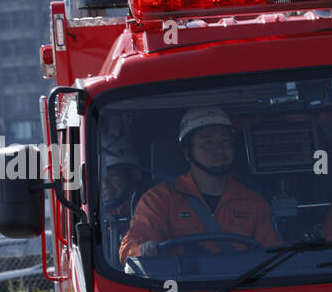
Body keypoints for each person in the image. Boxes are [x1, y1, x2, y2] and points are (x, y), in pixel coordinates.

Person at [120, 107, 281, 262]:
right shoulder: (159, 199)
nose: (219, 149)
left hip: (242, 287)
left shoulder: (253, 202)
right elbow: (129, 249)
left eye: (225, 141)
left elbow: (274, 257)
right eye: (208, 143)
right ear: (188, 153)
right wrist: (143, 250)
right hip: (180, 287)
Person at [100, 138, 147, 249]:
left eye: (112, 176)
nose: (105, 185)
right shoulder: (93, 216)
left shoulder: (150, 208)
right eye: (99, 178)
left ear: (131, 175)